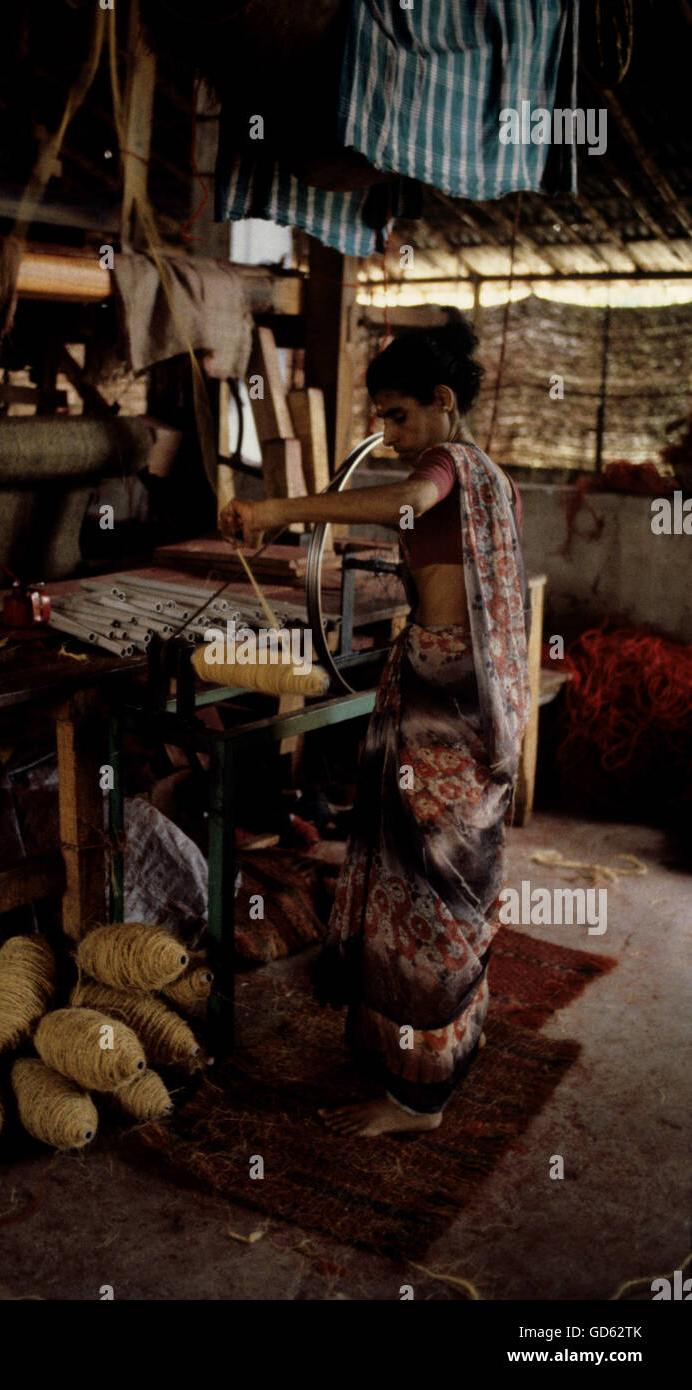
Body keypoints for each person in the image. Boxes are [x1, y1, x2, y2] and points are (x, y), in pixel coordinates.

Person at [218, 310, 530, 1137]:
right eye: (381, 418)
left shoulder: (450, 464)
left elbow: (404, 498)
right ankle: (426, 1053)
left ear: (439, 402)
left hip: (447, 705)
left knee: (427, 883)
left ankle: (413, 1094)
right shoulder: (497, 481)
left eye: (396, 415)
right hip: (452, 692)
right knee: (435, 874)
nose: (388, 434)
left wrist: (279, 507)